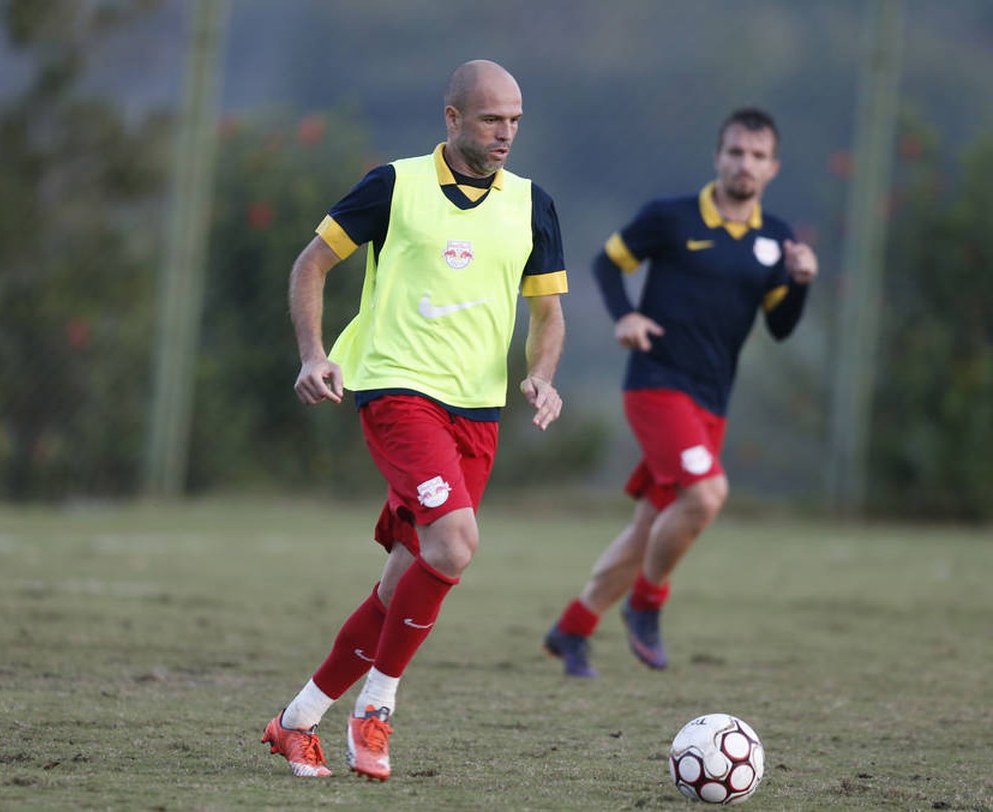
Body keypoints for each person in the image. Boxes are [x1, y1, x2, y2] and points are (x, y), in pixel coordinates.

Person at [262, 59, 568, 780]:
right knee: (456, 544)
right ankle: (378, 706)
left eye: (516, 120)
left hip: (478, 413)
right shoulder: (394, 185)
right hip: (397, 392)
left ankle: (296, 720)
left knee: (407, 577)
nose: (506, 133)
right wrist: (313, 354)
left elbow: (548, 311)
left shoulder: (533, 205)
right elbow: (311, 264)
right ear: (453, 117)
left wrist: (543, 374)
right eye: (492, 119)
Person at [543, 107, 818, 678]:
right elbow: (608, 262)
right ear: (718, 156)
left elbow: (783, 326)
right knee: (707, 494)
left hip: (711, 401)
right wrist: (624, 317)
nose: (745, 164)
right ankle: (647, 603)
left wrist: (800, 283)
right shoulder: (670, 217)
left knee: (652, 527)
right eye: (736, 152)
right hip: (656, 384)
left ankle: (573, 628)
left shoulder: (776, 241)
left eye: (758, 156)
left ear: (773, 168)